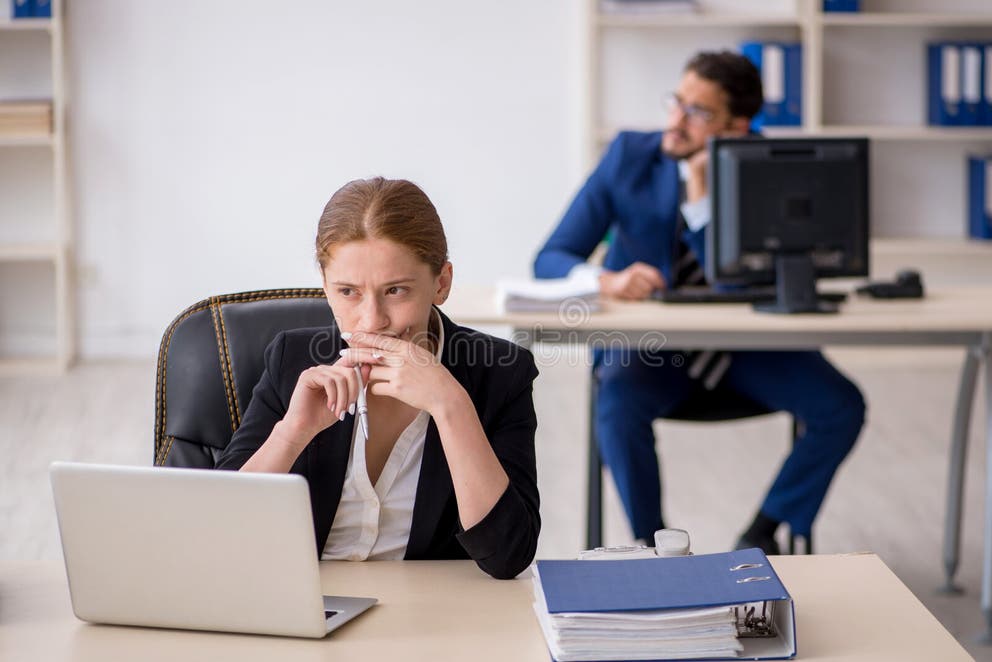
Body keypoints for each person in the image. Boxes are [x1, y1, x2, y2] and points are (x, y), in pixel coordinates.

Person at [533, 51, 865, 553]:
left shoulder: (771, 167)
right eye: (677, 102)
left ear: (737, 126)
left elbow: (743, 283)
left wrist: (701, 199)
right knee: (617, 402)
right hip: (652, 351)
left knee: (840, 406)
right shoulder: (630, 155)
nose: (676, 121)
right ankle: (653, 548)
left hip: (746, 350)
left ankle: (764, 531)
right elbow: (551, 257)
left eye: (698, 113)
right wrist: (606, 280)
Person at [217, 177, 540, 579]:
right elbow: (218, 532)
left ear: (441, 283)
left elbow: (508, 556)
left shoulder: (500, 372)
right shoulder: (292, 360)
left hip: (431, 611)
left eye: (396, 291)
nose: (372, 321)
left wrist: (450, 405)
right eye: (348, 292)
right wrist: (291, 434)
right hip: (304, 602)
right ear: (325, 287)